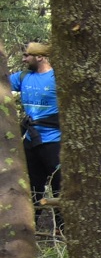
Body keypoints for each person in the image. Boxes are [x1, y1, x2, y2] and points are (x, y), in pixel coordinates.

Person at [11, 42, 58, 224]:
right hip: (30, 140)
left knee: (59, 185)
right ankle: (31, 227)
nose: (23, 59)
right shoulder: (23, 77)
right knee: (32, 185)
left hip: (54, 141)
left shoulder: (57, 77)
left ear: (40, 57)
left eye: (27, 56)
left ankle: (62, 229)